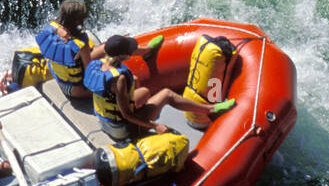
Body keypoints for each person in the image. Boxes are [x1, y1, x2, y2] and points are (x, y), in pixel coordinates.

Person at [84, 35, 234, 141]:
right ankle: (210, 109)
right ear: (120, 56)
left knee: (144, 91)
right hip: (122, 129)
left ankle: (147, 111)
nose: (131, 52)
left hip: (104, 121)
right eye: (128, 51)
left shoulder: (95, 65)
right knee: (167, 94)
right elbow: (126, 115)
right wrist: (155, 126)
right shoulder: (120, 79)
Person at [35, 0, 104, 99]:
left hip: (58, 78)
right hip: (76, 90)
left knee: (103, 49)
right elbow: (90, 71)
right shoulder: (81, 43)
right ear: (78, 21)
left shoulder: (52, 28)